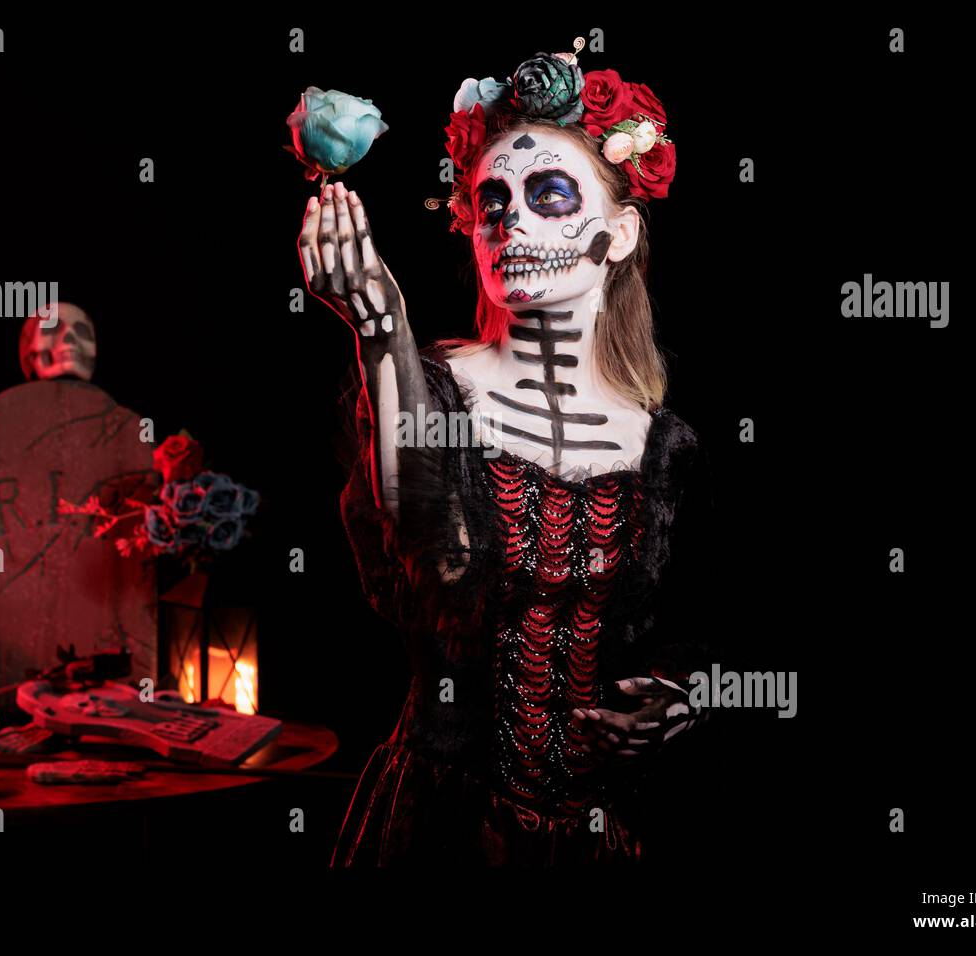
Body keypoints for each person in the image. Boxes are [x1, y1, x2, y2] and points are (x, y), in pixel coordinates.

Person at [298, 44, 714, 865]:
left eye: (549, 194)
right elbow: (433, 577)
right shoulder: (424, 394)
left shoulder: (669, 449)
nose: (512, 220)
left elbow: (698, 629)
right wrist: (382, 330)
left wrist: (677, 697)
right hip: (440, 837)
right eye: (492, 200)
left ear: (620, 232)